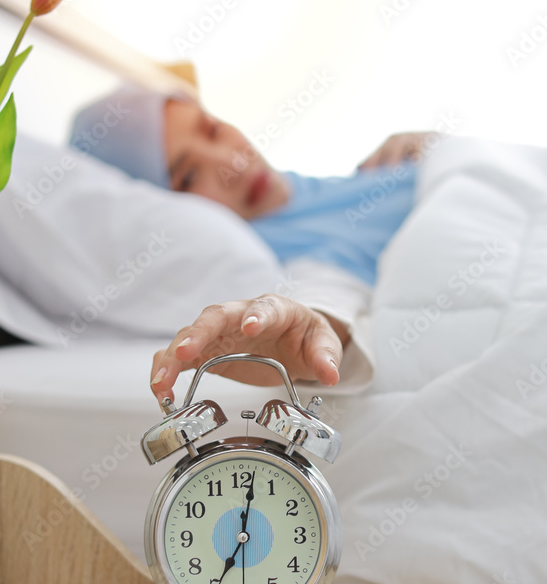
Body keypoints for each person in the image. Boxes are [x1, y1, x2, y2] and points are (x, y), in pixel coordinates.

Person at [68, 87, 441, 403]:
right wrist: (308, 329)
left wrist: (436, 147)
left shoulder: (361, 171)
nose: (231, 163)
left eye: (212, 130)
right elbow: (322, 297)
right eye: (189, 176)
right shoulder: (270, 252)